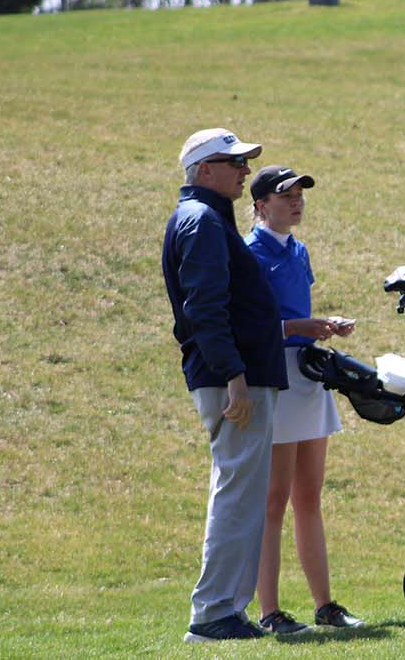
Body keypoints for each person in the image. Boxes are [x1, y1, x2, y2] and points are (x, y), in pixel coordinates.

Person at [162, 128, 282, 643]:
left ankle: (227, 610)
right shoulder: (203, 222)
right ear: (204, 170)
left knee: (241, 495)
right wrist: (234, 375)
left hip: (234, 376)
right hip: (232, 380)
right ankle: (214, 614)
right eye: (234, 163)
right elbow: (203, 309)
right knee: (237, 496)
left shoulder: (208, 218)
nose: (245, 171)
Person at [244, 165, 365, 635]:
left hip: (308, 375)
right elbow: (252, 329)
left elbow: (296, 315)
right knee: (273, 500)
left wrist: (324, 324)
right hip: (275, 379)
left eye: (299, 195)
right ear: (260, 206)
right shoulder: (249, 254)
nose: (296, 202)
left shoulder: (298, 250)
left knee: (309, 497)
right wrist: (301, 328)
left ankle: (325, 606)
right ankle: (269, 612)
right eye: (285, 196)